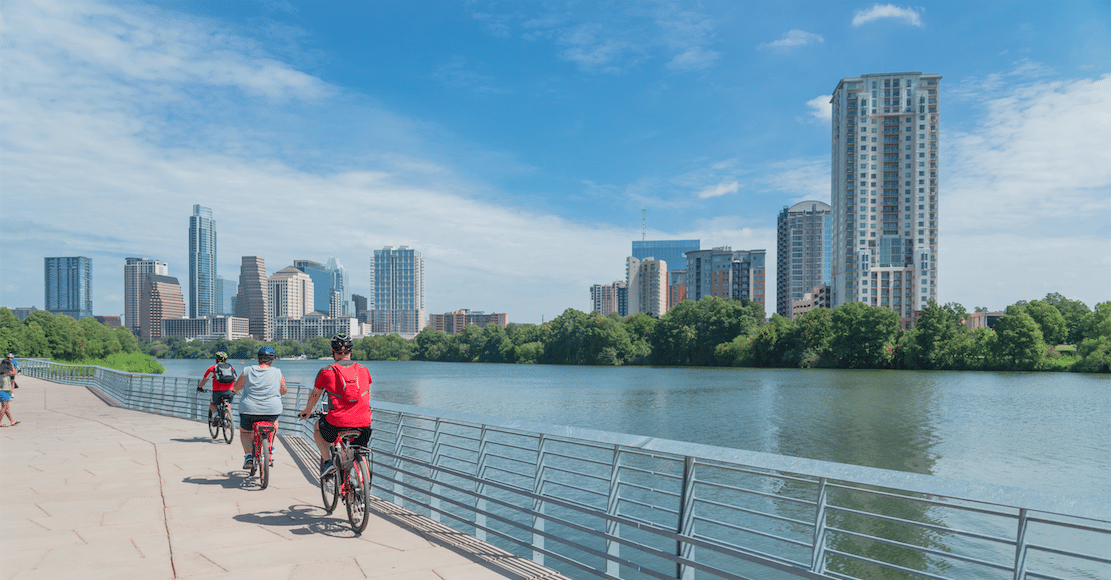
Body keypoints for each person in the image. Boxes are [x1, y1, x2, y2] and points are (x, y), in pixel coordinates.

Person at [298, 333, 372, 476]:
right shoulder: (363, 369)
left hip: (338, 423)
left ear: (333, 352)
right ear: (351, 351)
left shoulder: (327, 371)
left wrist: (307, 411)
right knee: (361, 453)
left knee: (317, 427)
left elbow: (315, 395)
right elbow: (367, 393)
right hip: (363, 422)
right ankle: (364, 487)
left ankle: (327, 462)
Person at [231, 346, 286, 470]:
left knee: (245, 431)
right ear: (272, 360)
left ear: (258, 358)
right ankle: (270, 445)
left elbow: (237, 387)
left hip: (249, 410)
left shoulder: (247, 370)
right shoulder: (277, 372)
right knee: (274, 421)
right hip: (272, 410)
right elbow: (284, 390)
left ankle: (248, 456)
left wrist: (234, 390)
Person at [197, 351, 237, 426]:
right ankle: (228, 420)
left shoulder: (213, 368)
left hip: (218, 391)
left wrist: (200, 387)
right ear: (225, 359)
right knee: (227, 403)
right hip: (230, 391)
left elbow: (205, 379)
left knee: (212, 403)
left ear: (216, 359)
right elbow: (235, 379)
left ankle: (215, 415)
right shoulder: (231, 368)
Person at [0, 353, 17, 426]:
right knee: (4, 407)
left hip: (3, 391)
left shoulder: (1, 372)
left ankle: (12, 421)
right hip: (4, 391)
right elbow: (14, 373)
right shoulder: (7, 372)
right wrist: (13, 367)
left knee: (6, 407)